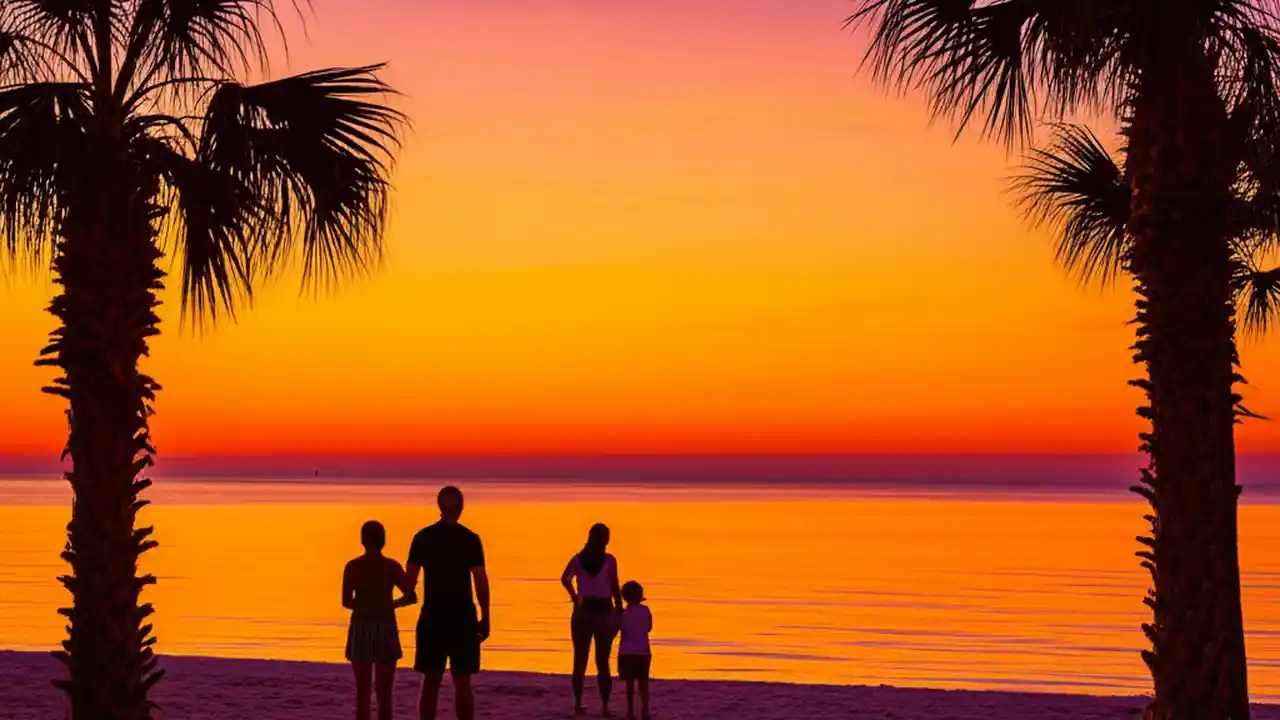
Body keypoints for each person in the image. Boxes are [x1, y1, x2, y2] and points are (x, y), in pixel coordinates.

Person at [404, 486, 490, 720]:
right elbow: (480, 581)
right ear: (461, 508)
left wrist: (399, 595)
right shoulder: (470, 540)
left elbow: (409, 580)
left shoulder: (422, 538)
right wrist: (486, 615)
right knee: (462, 682)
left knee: (431, 681)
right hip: (462, 617)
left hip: (433, 616)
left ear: (440, 507)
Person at [343, 520, 418, 720]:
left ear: (363, 541)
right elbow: (411, 595)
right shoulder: (390, 566)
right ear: (383, 541)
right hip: (385, 625)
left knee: (363, 693)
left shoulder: (353, 567)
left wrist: (366, 604)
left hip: (361, 625)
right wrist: (391, 604)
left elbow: (346, 601)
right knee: (385, 694)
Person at [560, 523, 623, 716]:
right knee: (602, 662)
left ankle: (578, 704)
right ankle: (604, 706)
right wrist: (620, 610)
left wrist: (574, 596)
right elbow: (614, 586)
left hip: (583, 611)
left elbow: (565, 579)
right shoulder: (610, 560)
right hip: (603, 611)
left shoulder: (578, 559)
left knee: (580, 659)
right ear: (606, 540)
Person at [617, 581, 652, 720]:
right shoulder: (646, 610)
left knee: (629, 683)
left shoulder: (624, 613)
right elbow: (649, 627)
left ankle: (630, 711)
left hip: (627, 652)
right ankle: (645, 710)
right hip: (644, 651)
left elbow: (620, 628)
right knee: (644, 682)